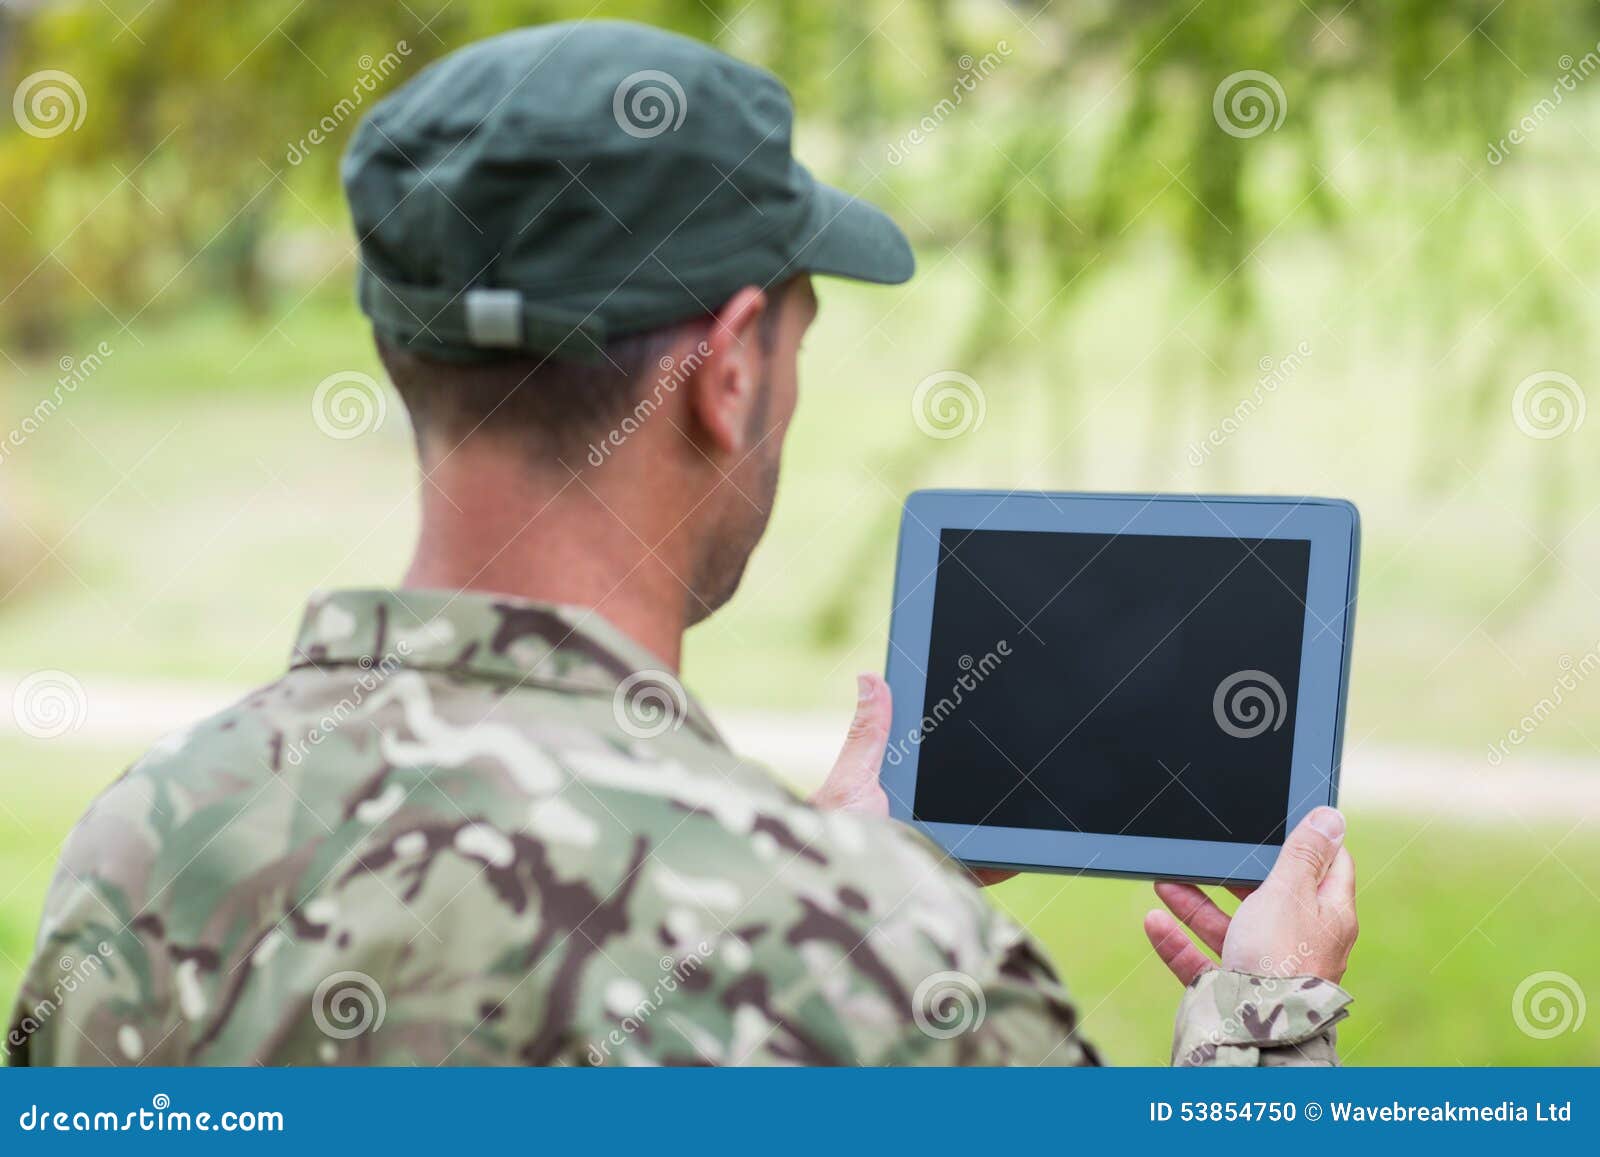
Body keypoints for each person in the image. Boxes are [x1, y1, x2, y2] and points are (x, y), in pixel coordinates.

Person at [7, 20, 1357, 1067]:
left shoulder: (150, 845)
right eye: (798, 341)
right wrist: (1267, 1015)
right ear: (730, 372)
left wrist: (824, 861)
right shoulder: (881, 976)